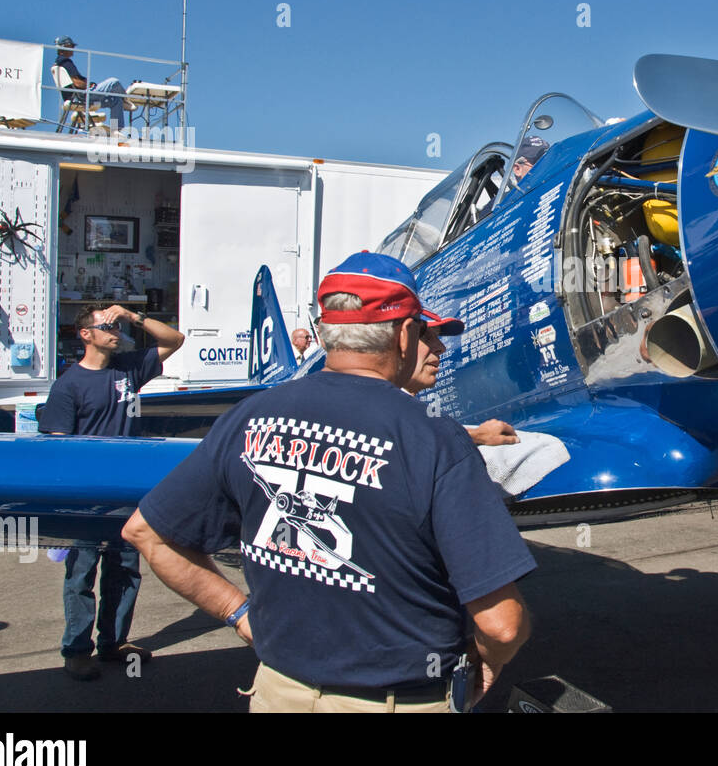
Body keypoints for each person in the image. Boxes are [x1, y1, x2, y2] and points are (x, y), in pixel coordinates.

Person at [122, 252, 535, 712]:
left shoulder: (248, 415)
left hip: (276, 693)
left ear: (326, 333)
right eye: (423, 332)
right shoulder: (436, 439)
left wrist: (239, 614)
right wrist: (487, 668)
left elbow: (145, 531)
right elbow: (502, 625)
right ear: (403, 334)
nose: (433, 347)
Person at [39, 303, 185, 680]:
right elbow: (58, 447)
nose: (114, 331)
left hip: (125, 493)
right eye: (106, 326)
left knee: (125, 571)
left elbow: (175, 339)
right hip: (86, 496)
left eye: (116, 326)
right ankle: (76, 649)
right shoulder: (68, 385)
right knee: (82, 574)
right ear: (85, 335)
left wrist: (133, 317)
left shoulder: (127, 368)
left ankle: (113, 642)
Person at [407, 311, 519, 447]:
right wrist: (478, 436)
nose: (441, 348)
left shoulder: (410, 415)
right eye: (424, 336)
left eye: (437, 337)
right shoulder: (378, 408)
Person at [53, 36, 127, 130]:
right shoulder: (65, 62)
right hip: (82, 96)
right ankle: (126, 100)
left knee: (115, 100)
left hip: (77, 96)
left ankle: (117, 129)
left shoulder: (59, 63)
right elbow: (76, 83)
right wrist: (89, 85)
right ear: (65, 46)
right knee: (114, 82)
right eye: (71, 46)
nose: (73, 49)